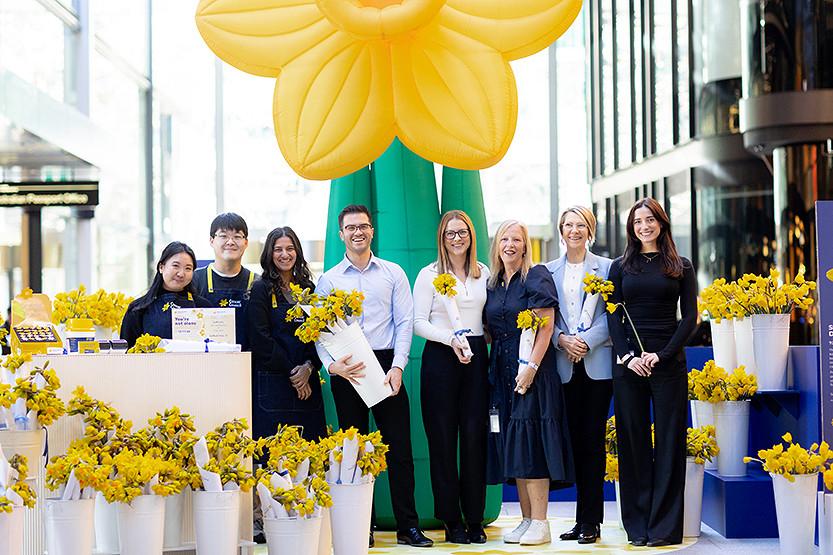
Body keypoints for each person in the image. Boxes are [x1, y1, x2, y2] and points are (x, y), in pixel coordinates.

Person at [314, 204, 432, 548]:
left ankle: (408, 526)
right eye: (350, 228)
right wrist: (331, 365)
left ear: (371, 230)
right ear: (341, 234)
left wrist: (397, 367)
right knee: (353, 452)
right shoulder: (329, 279)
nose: (357, 232)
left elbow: (404, 323)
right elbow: (319, 331)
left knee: (400, 452)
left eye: (363, 226)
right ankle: (358, 527)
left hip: (385, 367)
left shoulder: (393, 273)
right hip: (346, 369)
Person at [607, 198, 697, 547]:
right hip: (630, 366)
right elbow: (613, 315)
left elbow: (689, 318)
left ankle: (664, 528)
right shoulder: (620, 266)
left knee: (671, 441)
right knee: (633, 443)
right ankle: (638, 526)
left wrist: (662, 354)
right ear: (631, 227)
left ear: (661, 223)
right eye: (637, 221)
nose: (644, 226)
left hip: (668, 363)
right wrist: (629, 356)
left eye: (650, 220)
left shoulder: (680, 265)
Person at [484, 219, 574, 546]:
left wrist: (531, 367)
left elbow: (546, 327)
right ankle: (526, 520)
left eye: (517, 239)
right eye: (504, 239)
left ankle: (541, 522)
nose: (510, 245)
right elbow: (490, 328)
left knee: (532, 444)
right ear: (497, 245)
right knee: (516, 446)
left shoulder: (536, 276)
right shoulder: (494, 283)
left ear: (525, 245)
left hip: (532, 373)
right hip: (503, 373)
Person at [413, 210, 489, 544]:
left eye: (462, 232)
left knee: (474, 438)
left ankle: (475, 519)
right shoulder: (428, 274)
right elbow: (417, 322)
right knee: (442, 441)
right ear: (441, 239)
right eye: (449, 234)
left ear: (471, 236)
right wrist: (450, 339)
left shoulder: (483, 273)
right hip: (441, 357)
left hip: (476, 358)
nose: (456, 239)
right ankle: (451, 520)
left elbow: (488, 319)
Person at [545, 206, 613, 545]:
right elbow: (545, 315)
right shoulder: (548, 270)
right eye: (569, 225)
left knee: (592, 444)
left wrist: (585, 340)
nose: (575, 230)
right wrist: (561, 339)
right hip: (563, 367)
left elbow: (614, 316)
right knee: (574, 445)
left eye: (581, 225)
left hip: (596, 366)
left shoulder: (608, 268)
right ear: (561, 230)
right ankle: (579, 519)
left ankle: (592, 522)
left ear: (591, 230)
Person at [246, 226, 326, 443]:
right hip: (273, 386)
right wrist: (295, 373)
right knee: (274, 462)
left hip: (307, 385)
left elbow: (319, 335)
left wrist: (308, 367)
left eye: (290, 249)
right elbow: (261, 340)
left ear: (297, 252)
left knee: (311, 459)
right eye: (278, 249)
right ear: (269, 254)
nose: (285, 254)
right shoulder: (260, 289)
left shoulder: (308, 288)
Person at [121, 241, 211, 347]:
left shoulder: (204, 307)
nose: (181, 273)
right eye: (176, 266)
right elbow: (127, 354)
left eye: (188, 268)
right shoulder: (138, 309)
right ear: (161, 267)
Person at [191, 213, 257, 347]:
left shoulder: (257, 282)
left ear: (246, 242)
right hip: (205, 362)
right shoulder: (194, 280)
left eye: (237, 236)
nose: (230, 242)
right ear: (211, 240)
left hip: (247, 363)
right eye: (223, 236)